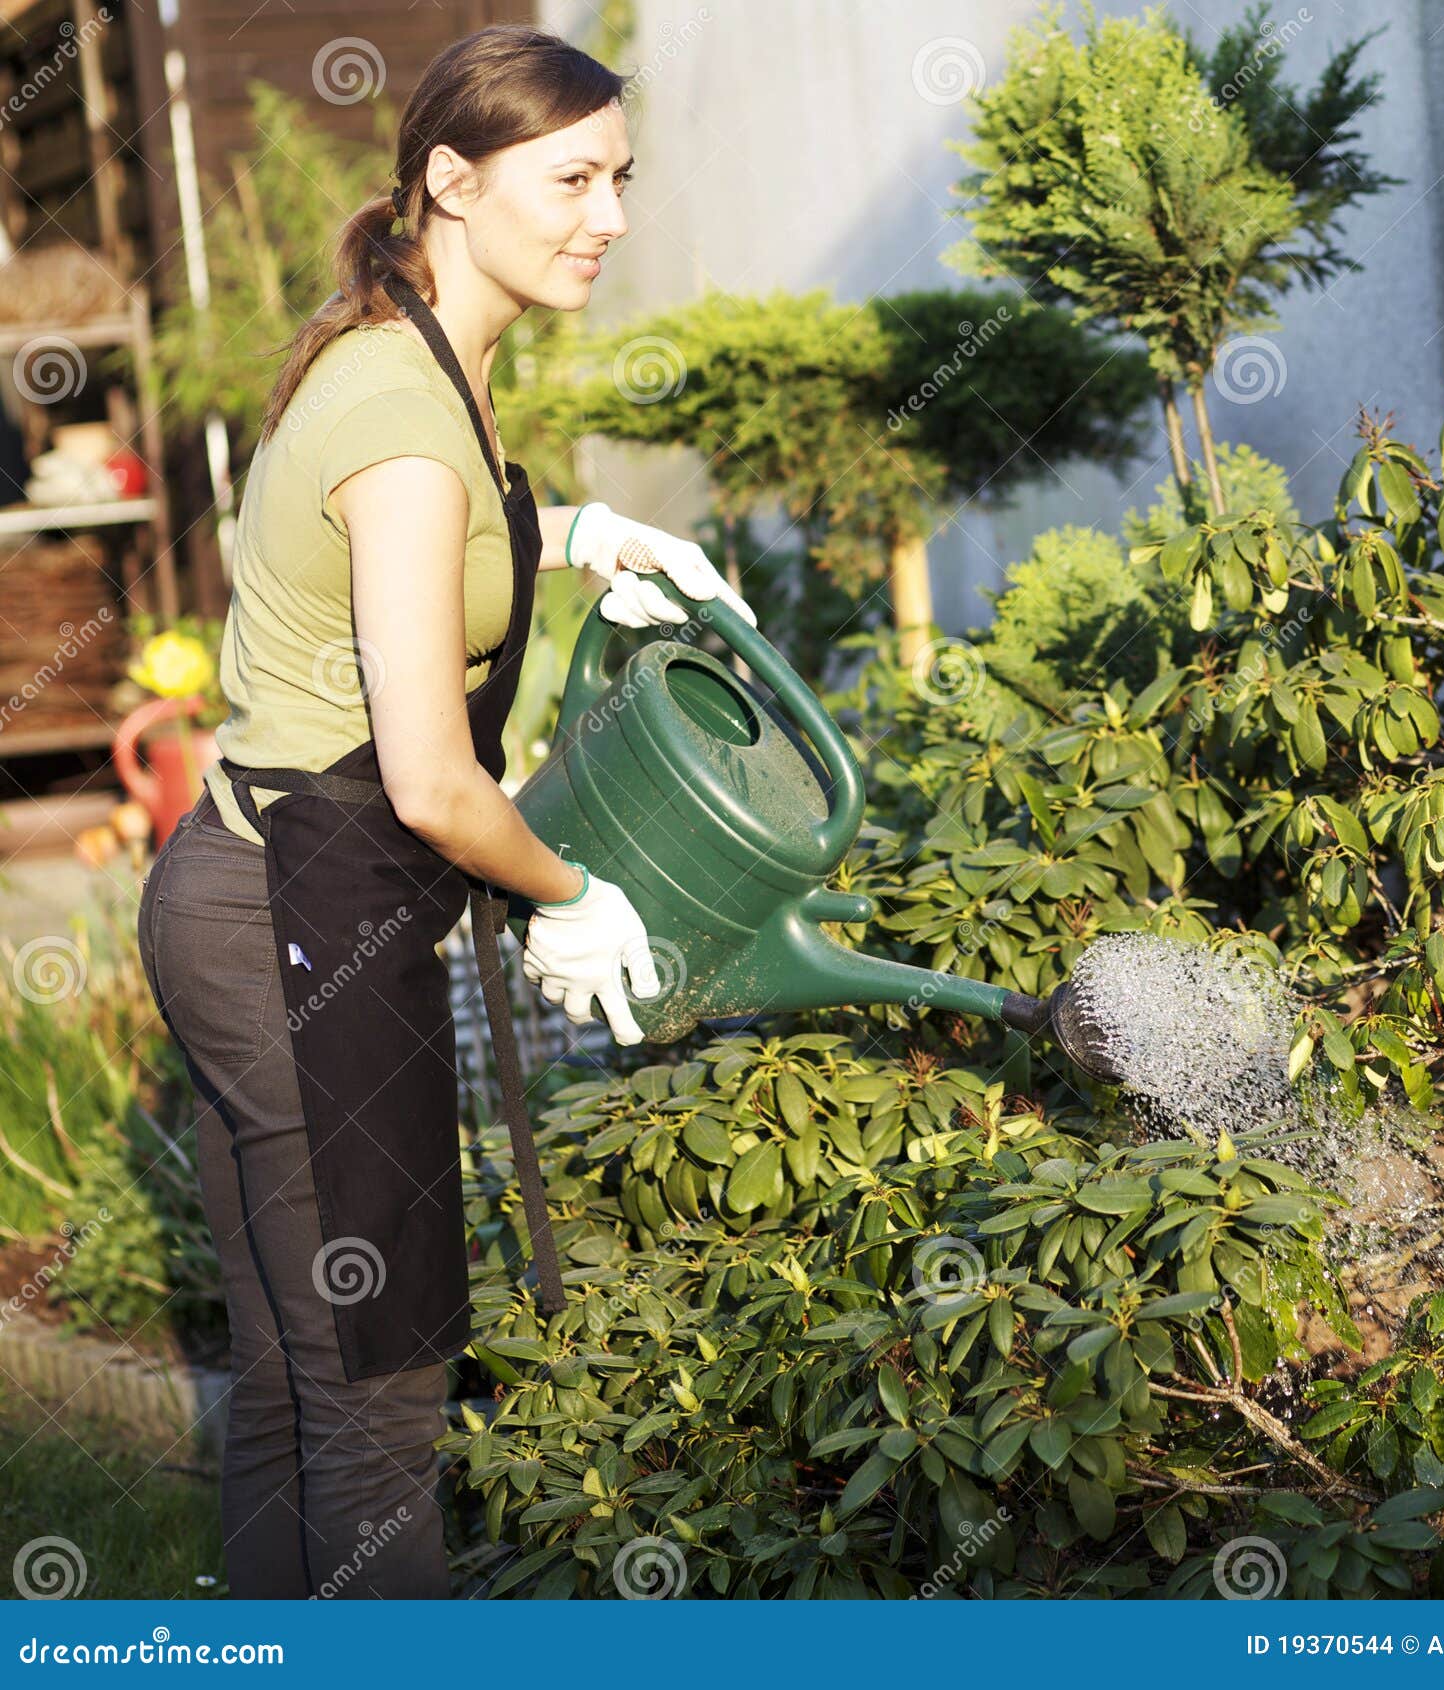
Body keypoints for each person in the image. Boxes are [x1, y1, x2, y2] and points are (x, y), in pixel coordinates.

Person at [135, 23, 755, 1600]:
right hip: (300, 905)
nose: (608, 214)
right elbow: (429, 779)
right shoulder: (405, 414)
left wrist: (583, 534)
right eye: (572, 179)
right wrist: (567, 890)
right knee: (379, 1395)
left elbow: (436, 539)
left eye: (620, 177)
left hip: (252, 884)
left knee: (294, 1380)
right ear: (451, 181)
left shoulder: (417, 354)